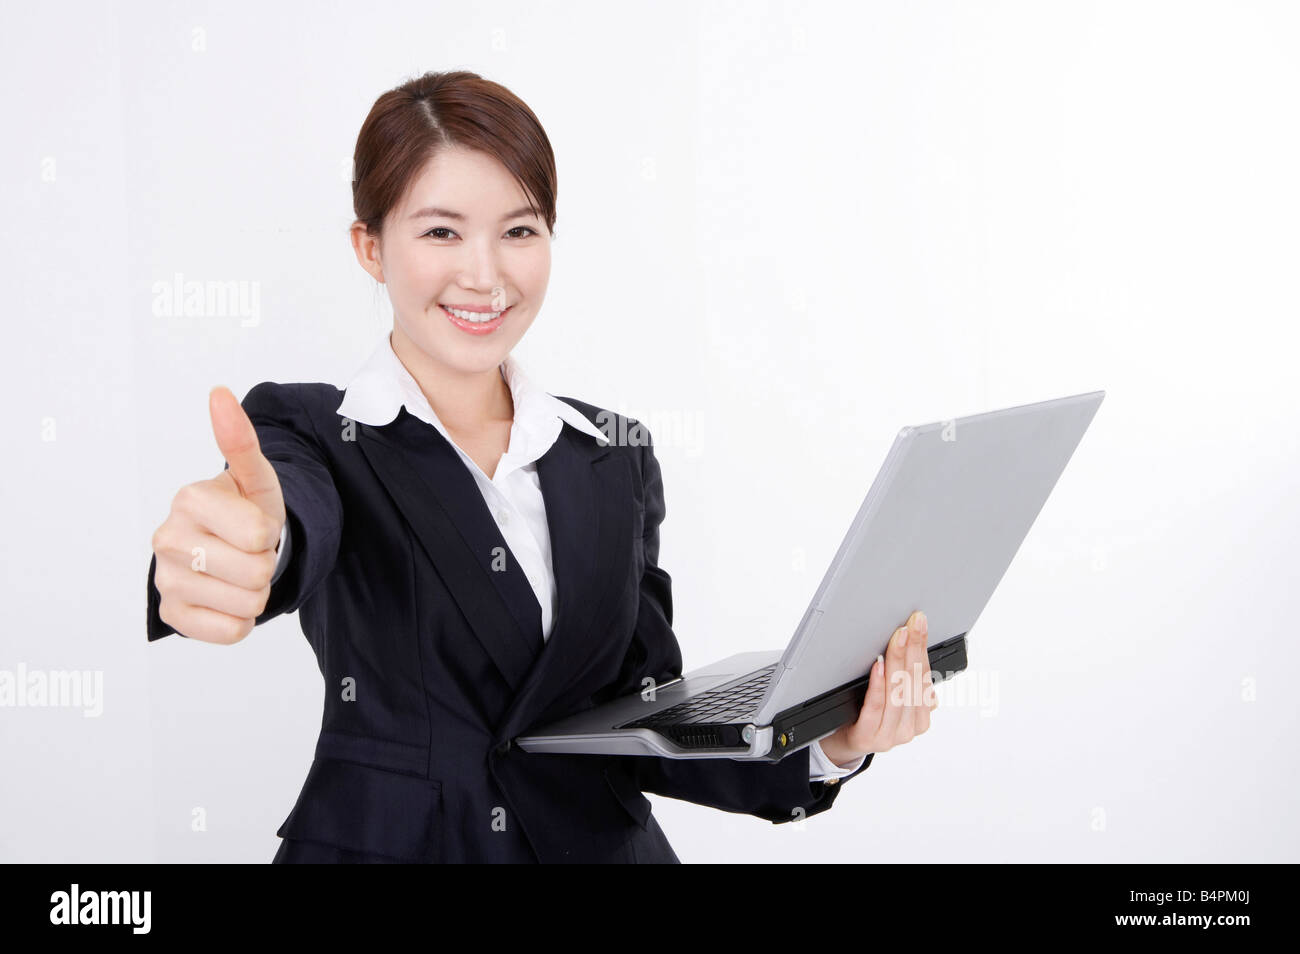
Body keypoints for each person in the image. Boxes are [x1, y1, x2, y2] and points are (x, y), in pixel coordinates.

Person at [145, 70, 938, 863]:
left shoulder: (612, 451)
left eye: (519, 232)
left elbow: (639, 723)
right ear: (370, 247)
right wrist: (256, 547)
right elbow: (289, 516)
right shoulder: (316, 429)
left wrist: (831, 741)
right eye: (441, 233)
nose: (486, 276)